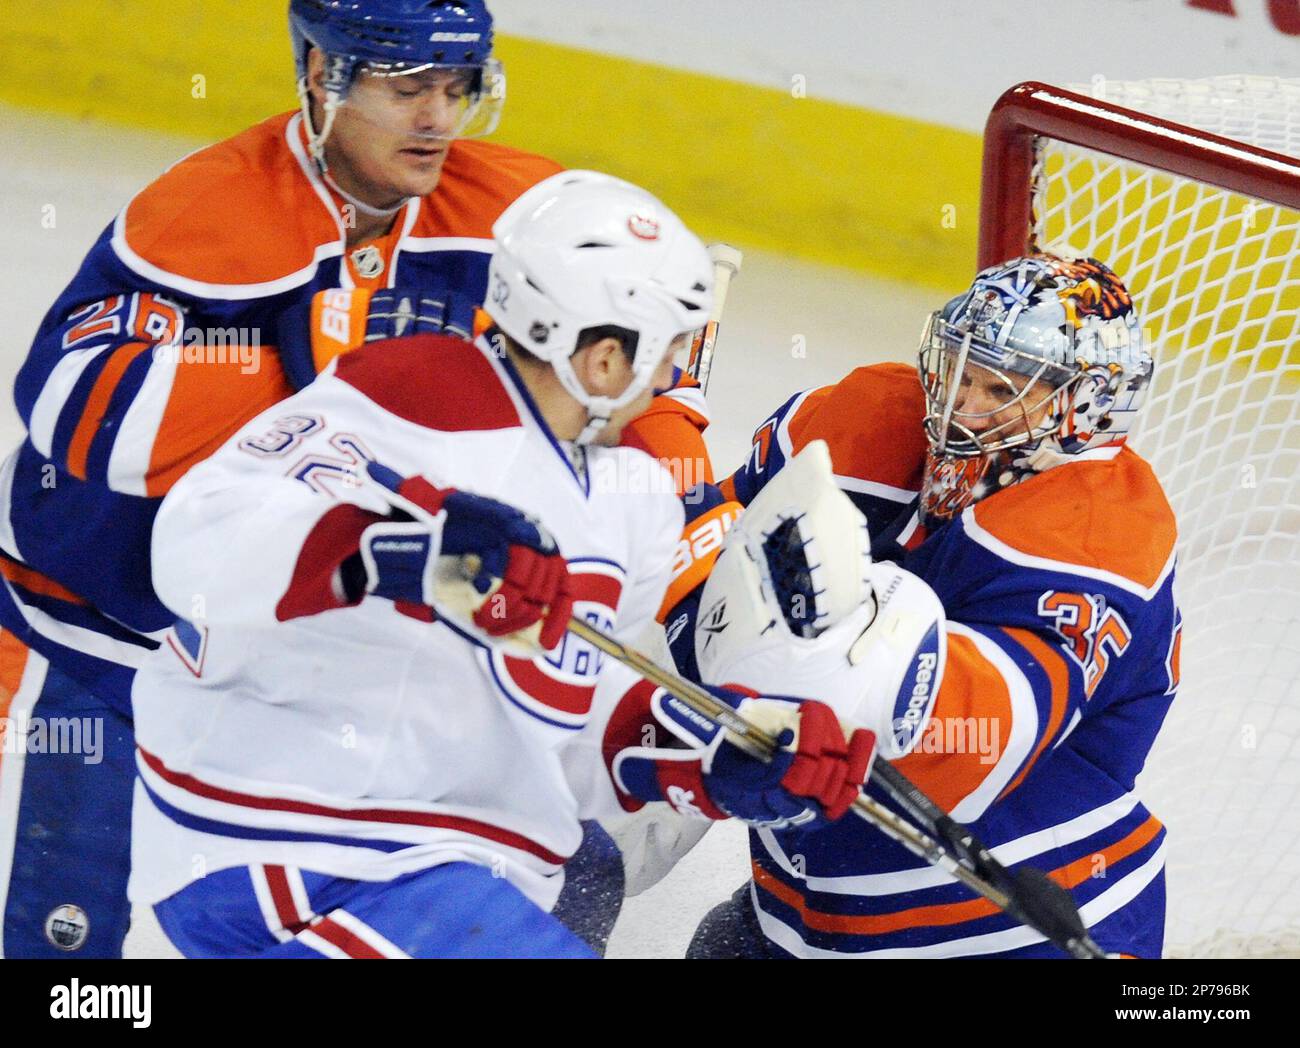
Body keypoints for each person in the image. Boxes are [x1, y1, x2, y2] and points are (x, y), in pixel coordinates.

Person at [125, 170, 876, 958]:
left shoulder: (632, 501)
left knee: (578, 874)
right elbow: (192, 549)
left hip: (440, 860)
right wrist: (395, 553)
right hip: (288, 833)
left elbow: (566, 720)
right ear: (601, 357)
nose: (670, 380)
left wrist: (710, 757)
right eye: (666, 351)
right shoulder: (410, 400)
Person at [0, 0, 570, 958]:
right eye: (406, 88)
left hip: (302, 639)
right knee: (69, 946)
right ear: (322, 76)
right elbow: (70, 404)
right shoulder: (207, 210)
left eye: (456, 87)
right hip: (108, 622)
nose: (437, 118)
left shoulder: (519, 212)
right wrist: (301, 366)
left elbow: (649, 320)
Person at [679, 254, 1181, 958]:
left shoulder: (1095, 532)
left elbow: (958, 745)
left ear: (1083, 405)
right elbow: (712, 555)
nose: (959, 407)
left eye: (999, 387)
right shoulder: (875, 422)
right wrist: (654, 439)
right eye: (959, 369)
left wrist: (797, 719)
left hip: (1006, 929)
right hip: (802, 912)